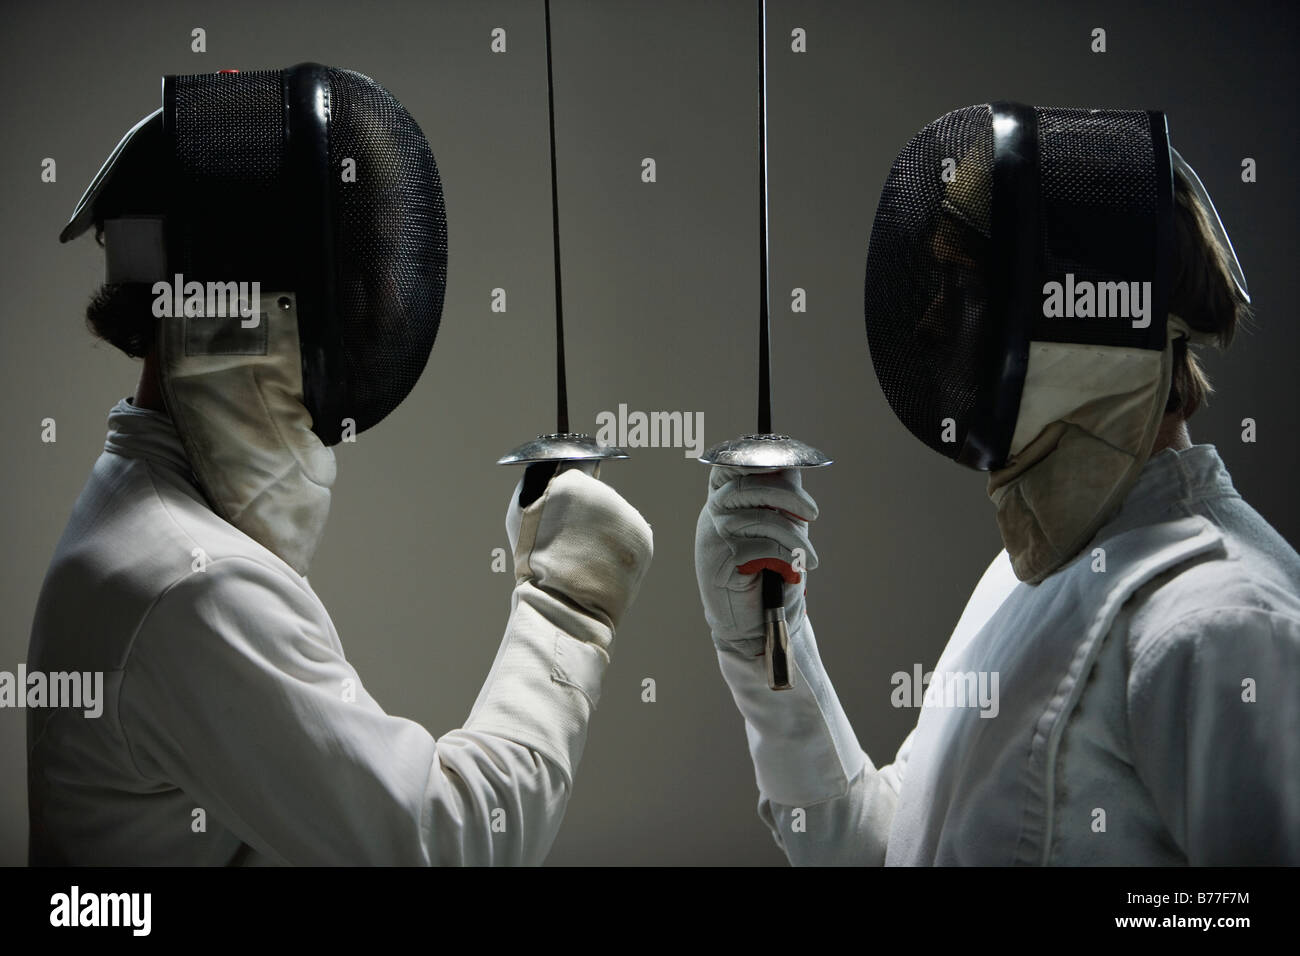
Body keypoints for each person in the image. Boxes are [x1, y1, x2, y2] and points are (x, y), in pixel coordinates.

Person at [27, 64, 653, 866]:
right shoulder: (191, 584)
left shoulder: (137, 520)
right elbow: (452, 841)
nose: (376, 314)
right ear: (248, 315)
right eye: (355, 294)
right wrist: (569, 604)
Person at [696, 103, 1300, 865]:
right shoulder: (1032, 575)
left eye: (965, 291)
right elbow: (898, 848)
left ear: (1083, 318)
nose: (930, 326)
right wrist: (767, 645)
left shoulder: (1222, 625)